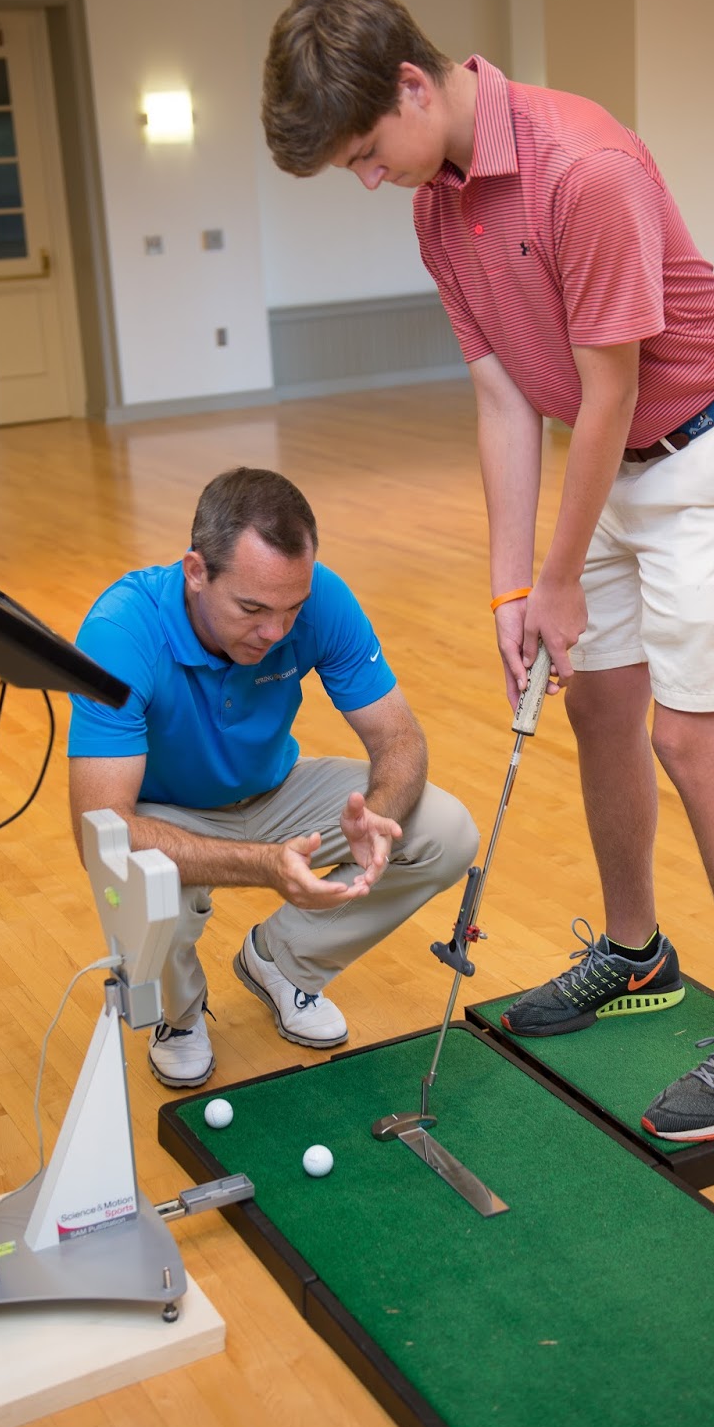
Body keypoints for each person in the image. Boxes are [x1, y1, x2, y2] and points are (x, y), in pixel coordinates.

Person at [261, 0, 714, 1144]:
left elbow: (612, 380)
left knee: (688, 732)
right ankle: (636, 953)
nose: (371, 179)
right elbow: (505, 395)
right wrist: (515, 583)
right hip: (615, 457)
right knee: (596, 707)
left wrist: (562, 578)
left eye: (368, 150)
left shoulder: (586, 167)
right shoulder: (438, 206)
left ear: (413, 84)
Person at [67, 466, 478, 1090]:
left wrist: (378, 812)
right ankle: (178, 1018)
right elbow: (102, 832)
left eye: (292, 609)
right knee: (145, 881)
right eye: (252, 609)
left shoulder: (321, 600)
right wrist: (263, 864)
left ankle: (282, 961)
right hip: (163, 813)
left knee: (445, 830)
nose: (276, 632)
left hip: (275, 791)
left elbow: (399, 737)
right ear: (196, 570)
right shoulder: (121, 632)